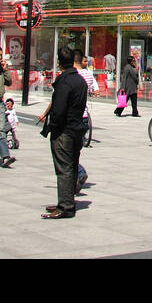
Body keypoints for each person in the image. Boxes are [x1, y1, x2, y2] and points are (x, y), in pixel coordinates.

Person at [39, 45, 88, 219]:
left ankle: (66, 206)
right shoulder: (80, 81)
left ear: (59, 63)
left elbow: (58, 110)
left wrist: (54, 126)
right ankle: (66, 200)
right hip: (77, 128)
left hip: (64, 130)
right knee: (72, 165)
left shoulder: (64, 82)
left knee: (64, 168)